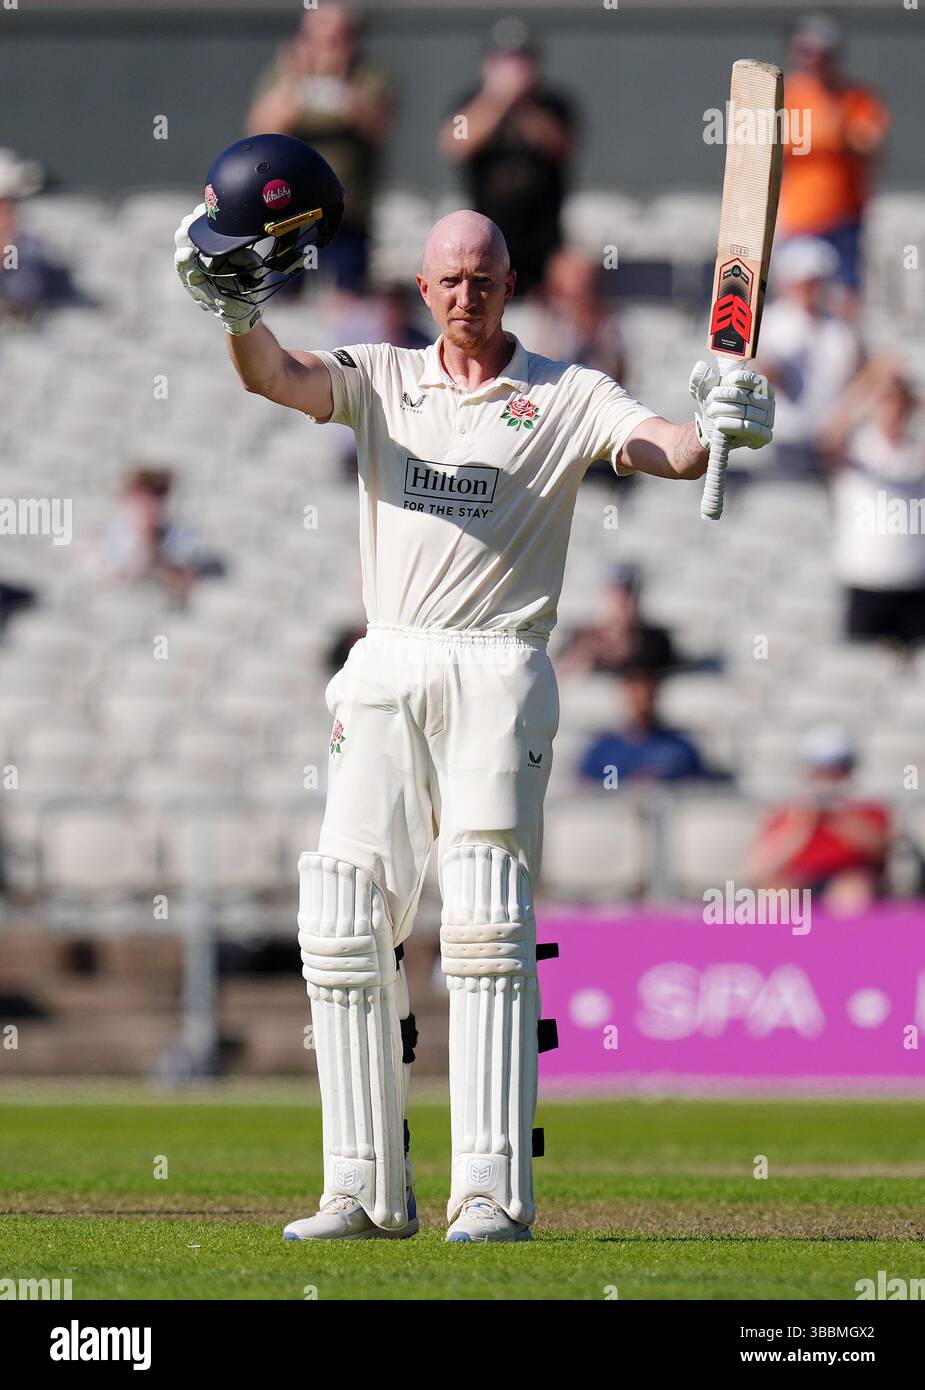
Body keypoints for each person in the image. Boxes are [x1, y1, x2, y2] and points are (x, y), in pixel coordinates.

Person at [175, 154, 775, 1243]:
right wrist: (234, 313)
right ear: (421, 286)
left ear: (511, 283)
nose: (466, 294)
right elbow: (273, 374)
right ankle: (362, 1187)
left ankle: (490, 1188)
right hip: (389, 662)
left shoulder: (565, 391)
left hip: (498, 665)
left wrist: (722, 422)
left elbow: (665, 448)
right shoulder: (379, 376)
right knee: (344, 919)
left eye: (484, 278)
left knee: (489, 923)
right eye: (449, 278)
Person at [246, 4, 393, 296]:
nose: (326, 48)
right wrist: (295, 80)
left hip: (347, 214)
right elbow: (262, 129)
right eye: (316, 38)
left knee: (349, 299)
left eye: (336, 39)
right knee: (283, 297)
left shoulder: (370, 75)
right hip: (290, 212)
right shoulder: (283, 76)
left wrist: (338, 82)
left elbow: (378, 126)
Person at [439, 18, 575, 299]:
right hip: (487, 236)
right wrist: (497, 100)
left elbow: (560, 146)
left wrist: (522, 104)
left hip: (544, 240)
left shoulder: (553, 105)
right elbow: (456, 145)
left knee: (573, 280)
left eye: (521, 61)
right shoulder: (472, 103)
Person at [778, 12, 889, 306]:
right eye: (806, 52)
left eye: (821, 54)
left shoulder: (856, 99)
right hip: (800, 222)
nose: (814, 61)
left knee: (845, 303)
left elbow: (872, 144)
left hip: (846, 221)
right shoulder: (786, 97)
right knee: (796, 304)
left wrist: (839, 133)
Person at [821, 358, 925, 649]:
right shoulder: (857, 448)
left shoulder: (917, 450)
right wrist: (871, 384)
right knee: (858, 669)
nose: (894, 412)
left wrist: (913, 397)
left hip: (914, 581)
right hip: (866, 581)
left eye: (900, 404)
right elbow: (827, 438)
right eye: (887, 403)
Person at [747, 726, 891, 913]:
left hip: (847, 880)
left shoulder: (870, 810)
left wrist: (837, 817)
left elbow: (880, 850)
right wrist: (803, 823)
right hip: (799, 880)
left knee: (852, 893)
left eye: (836, 771)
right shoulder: (788, 813)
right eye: (821, 771)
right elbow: (762, 868)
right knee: (776, 894)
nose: (828, 778)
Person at [757, 236, 862, 478]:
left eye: (815, 282)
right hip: (781, 439)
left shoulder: (841, 329)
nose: (810, 290)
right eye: (805, 282)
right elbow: (763, 375)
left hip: (832, 443)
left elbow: (855, 382)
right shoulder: (769, 324)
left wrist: (840, 425)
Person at [102, 468, 226, 604]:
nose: (148, 505)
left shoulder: (180, 533)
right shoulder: (114, 533)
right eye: (142, 497)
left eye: (157, 495)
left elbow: (185, 579)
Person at [577, 665, 708, 786]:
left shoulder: (681, 749)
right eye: (635, 690)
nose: (642, 697)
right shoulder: (603, 751)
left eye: (647, 689)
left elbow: (699, 791)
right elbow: (585, 793)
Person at [558, 564, 676, 678]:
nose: (622, 603)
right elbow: (561, 673)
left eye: (628, 595)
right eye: (616, 595)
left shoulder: (656, 641)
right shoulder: (580, 639)